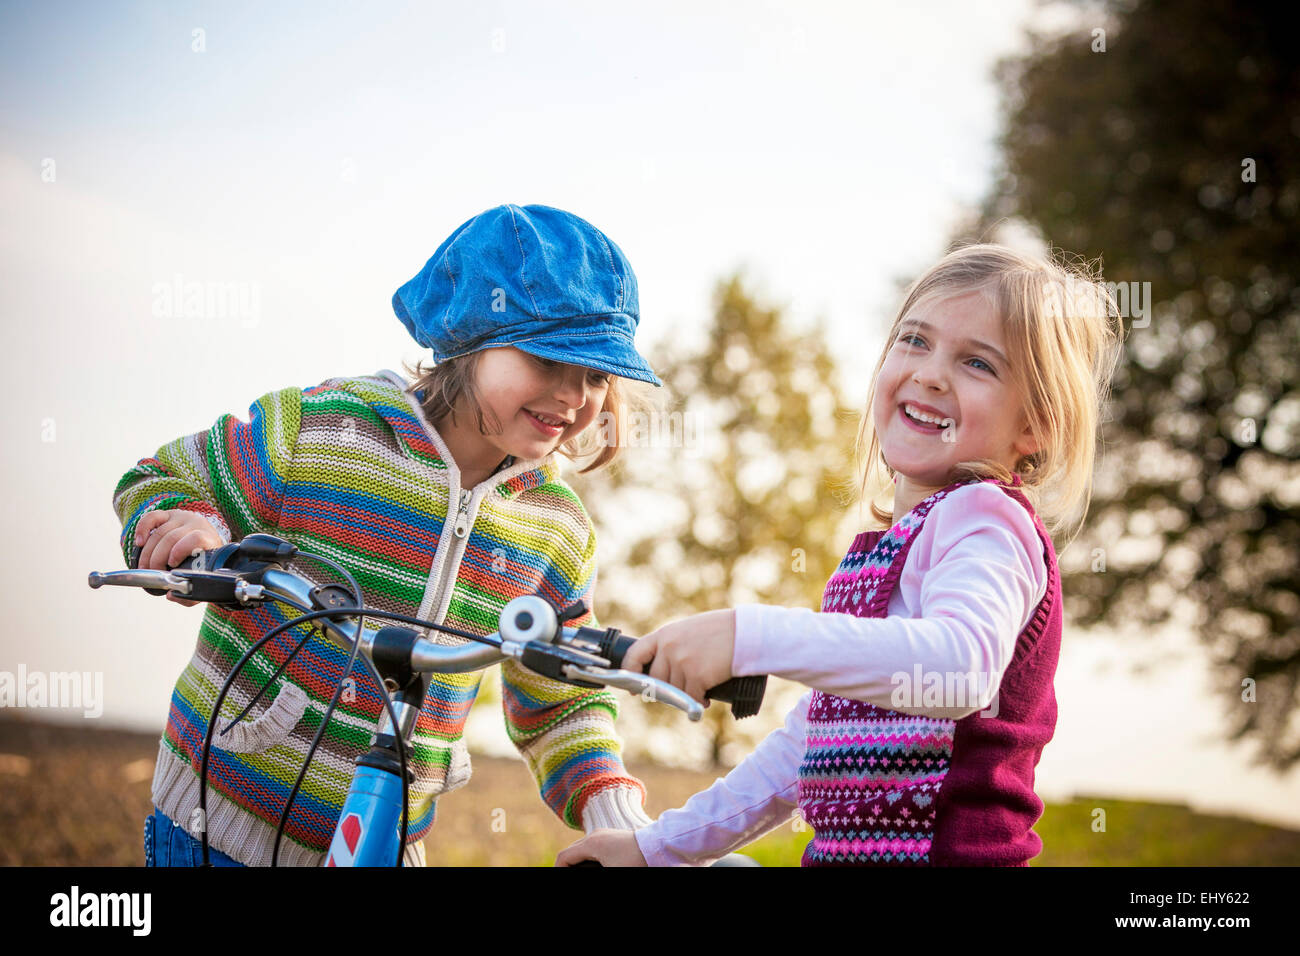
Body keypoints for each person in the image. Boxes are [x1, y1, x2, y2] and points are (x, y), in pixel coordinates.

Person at [118, 203, 664, 867]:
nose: (576, 397)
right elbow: (163, 477)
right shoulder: (318, 431)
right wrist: (189, 524)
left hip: (385, 839)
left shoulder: (554, 526)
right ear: (467, 338)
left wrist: (616, 804)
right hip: (220, 821)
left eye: (597, 376)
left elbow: (559, 694)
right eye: (551, 360)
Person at [556, 243, 1124, 867]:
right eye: (914, 340)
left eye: (978, 364)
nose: (931, 373)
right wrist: (656, 847)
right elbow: (809, 748)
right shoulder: (886, 552)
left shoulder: (987, 520)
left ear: (1034, 426)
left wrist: (750, 635)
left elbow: (960, 669)